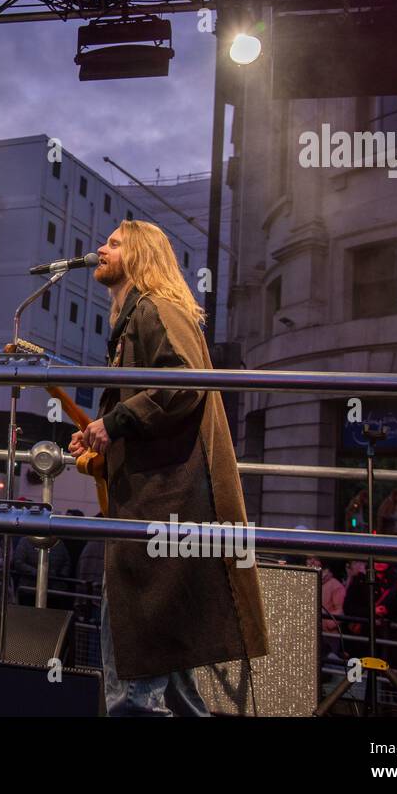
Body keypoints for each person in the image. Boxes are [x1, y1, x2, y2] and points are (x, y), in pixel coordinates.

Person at [68, 219, 268, 716]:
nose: (101, 248)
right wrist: (102, 430)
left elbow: (183, 383)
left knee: (138, 656)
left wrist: (113, 424)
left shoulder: (156, 307)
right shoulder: (140, 313)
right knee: (163, 657)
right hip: (158, 499)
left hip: (163, 501)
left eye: (114, 243)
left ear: (140, 255)